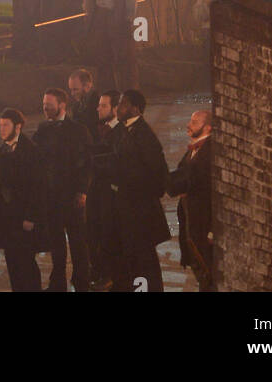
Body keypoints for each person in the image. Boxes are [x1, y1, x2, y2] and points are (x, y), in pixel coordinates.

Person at [104, 89, 170, 293]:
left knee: (144, 261)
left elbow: (159, 174)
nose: (118, 108)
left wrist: (138, 194)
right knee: (130, 258)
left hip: (140, 212)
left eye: (122, 104)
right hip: (125, 209)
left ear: (134, 108)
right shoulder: (124, 131)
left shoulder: (144, 134)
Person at [33, 87, 92, 293]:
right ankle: (57, 284)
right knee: (56, 243)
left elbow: (86, 163)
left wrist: (82, 191)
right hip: (50, 196)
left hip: (72, 196)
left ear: (62, 105)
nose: (45, 108)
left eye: (49, 104)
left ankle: (82, 283)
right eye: (44, 104)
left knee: (78, 243)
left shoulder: (78, 130)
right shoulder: (42, 129)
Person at [0, 107, 46, 292]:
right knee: (11, 259)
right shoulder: (1, 149)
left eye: (6, 125)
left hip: (24, 214)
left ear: (17, 126)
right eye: (0, 125)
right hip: (8, 215)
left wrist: (31, 216)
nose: (2, 129)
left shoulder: (31, 150)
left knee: (26, 260)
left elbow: (37, 186)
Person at [167, 108, 213, 291]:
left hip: (203, 226)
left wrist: (212, 230)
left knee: (208, 274)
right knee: (200, 272)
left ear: (207, 128)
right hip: (190, 223)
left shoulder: (209, 153)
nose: (188, 125)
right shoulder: (193, 150)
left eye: (194, 123)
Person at [87, 88, 121, 289]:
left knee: (108, 236)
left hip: (110, 196)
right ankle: (101, 273)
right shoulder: (102, 129)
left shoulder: (120, 133)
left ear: (115, 109)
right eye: (98, 104)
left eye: (103, 105)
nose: (98, 108)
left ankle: (108, 276)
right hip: (97, 194)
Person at [67, 68, 99, 137]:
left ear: (87, 86)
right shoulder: (76, 106)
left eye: (75, 89)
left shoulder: (100, 104)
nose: (72, 94)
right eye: (71, 90)